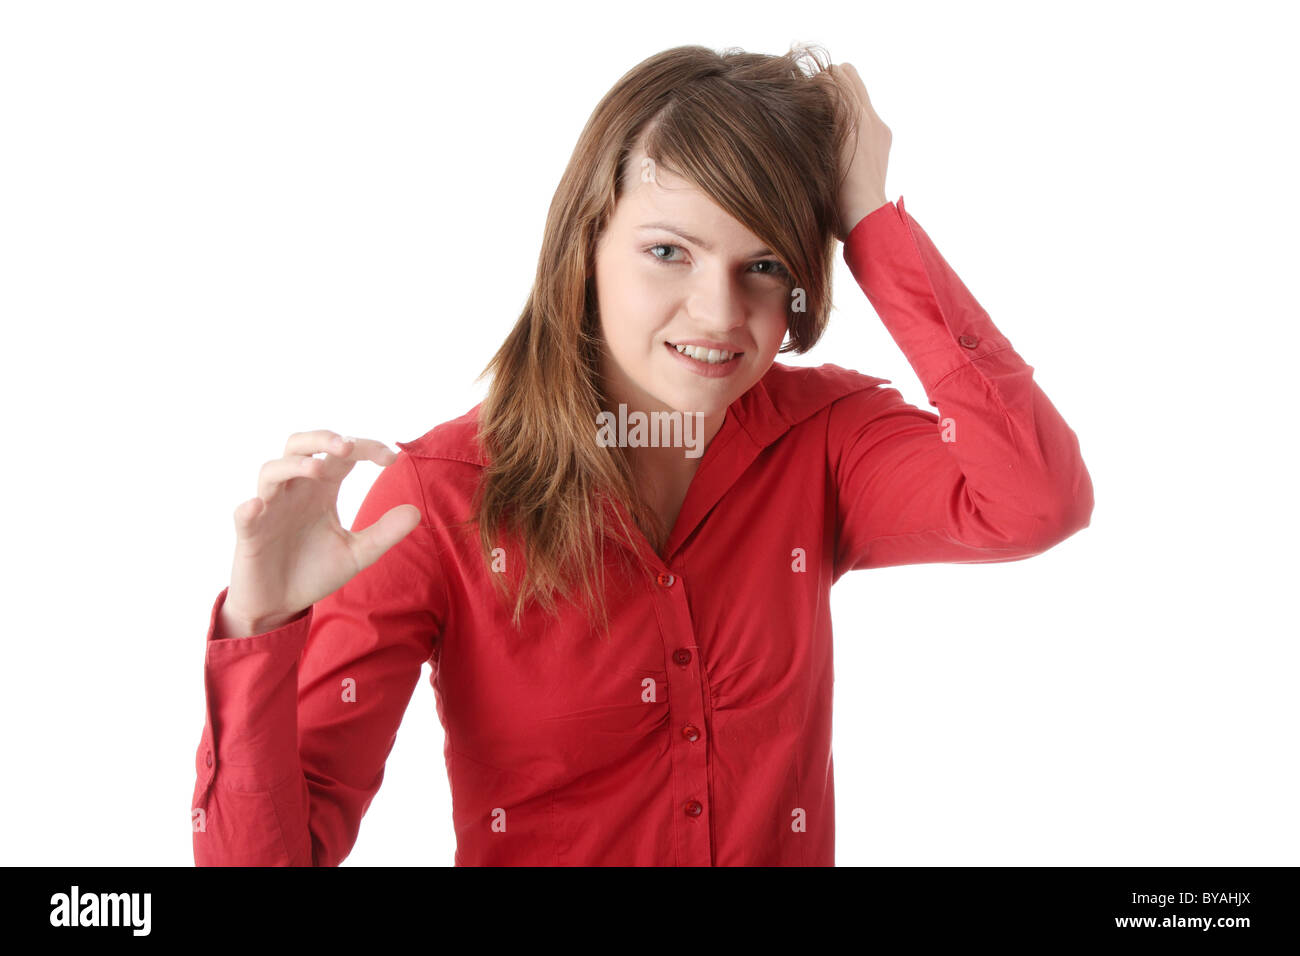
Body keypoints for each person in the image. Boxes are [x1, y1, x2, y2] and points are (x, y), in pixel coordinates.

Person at [191, 44, 1093, 866]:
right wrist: (261, 628)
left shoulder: (824, 439)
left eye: (766, 265)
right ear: (585, 245)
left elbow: (1034, 499)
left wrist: (867, 220)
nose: (719, 313)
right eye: (668, 251)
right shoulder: (437, 500)